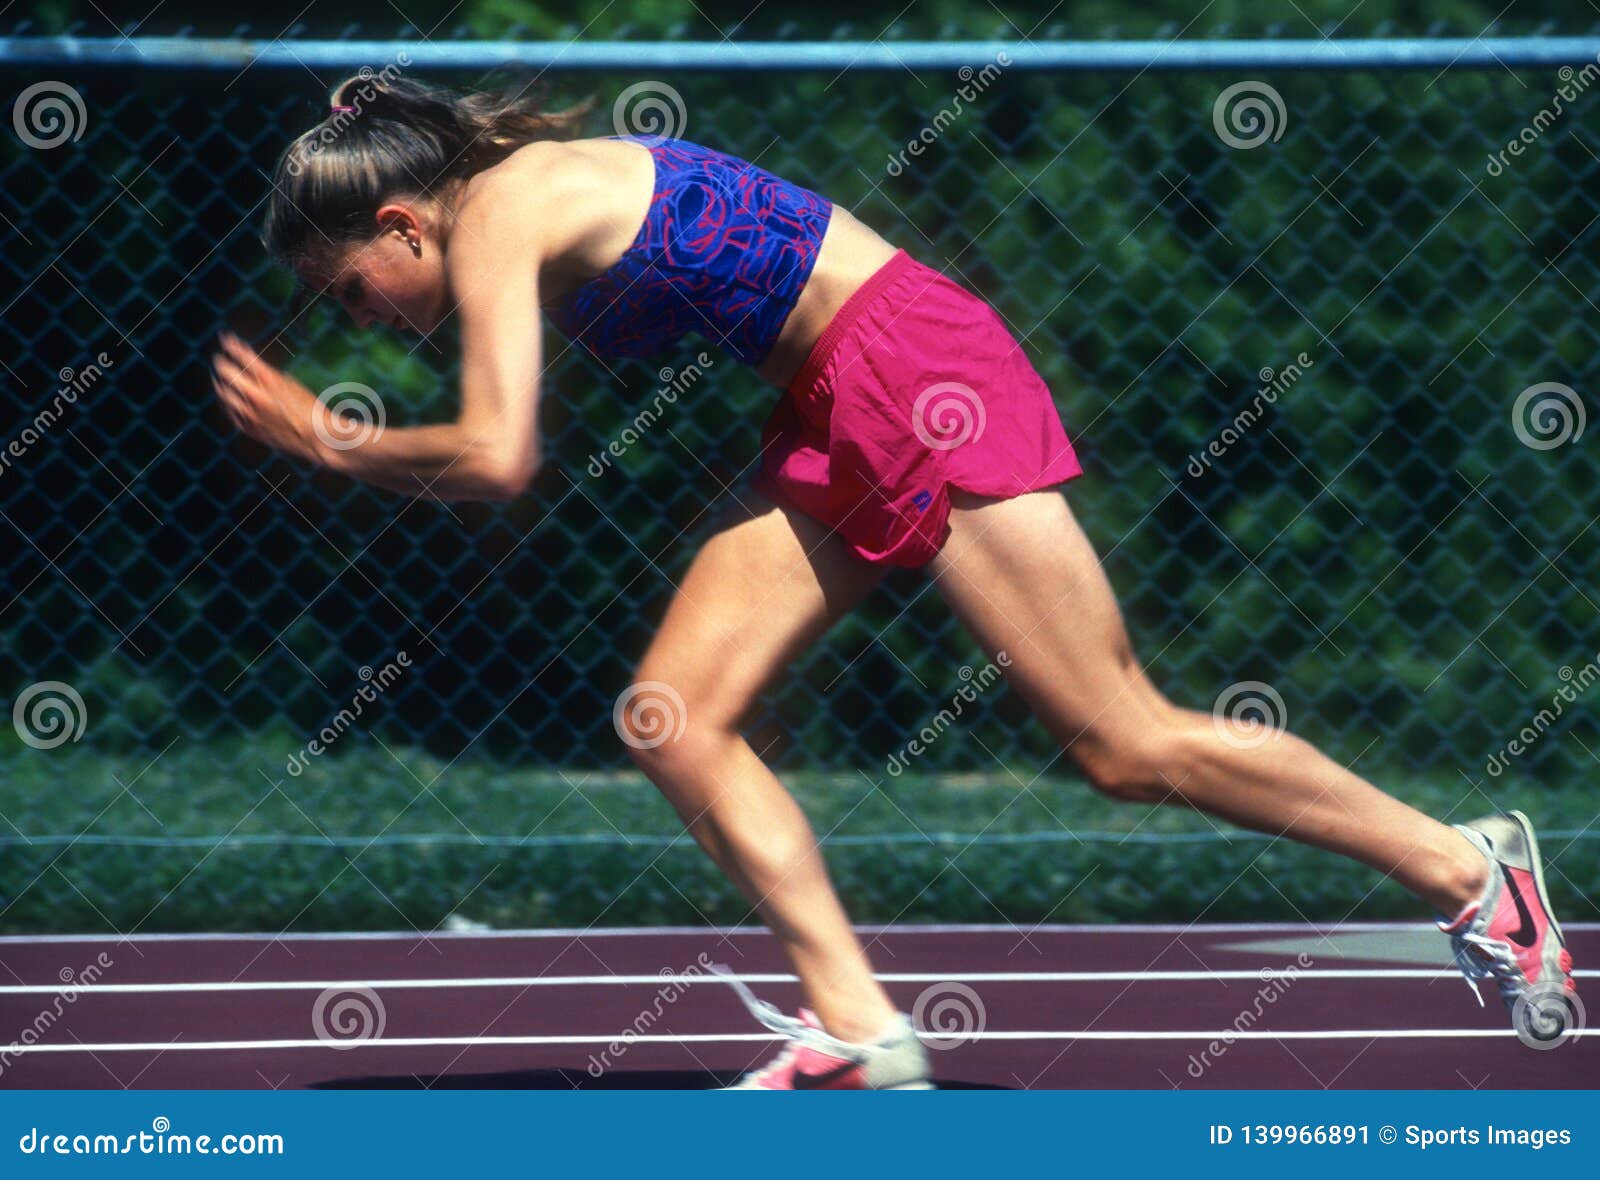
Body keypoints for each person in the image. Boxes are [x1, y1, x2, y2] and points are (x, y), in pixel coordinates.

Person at [211, 76, 1577, 1089]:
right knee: (674, 716)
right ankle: (861, 1029)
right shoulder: (521, 198)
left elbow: (501, 455)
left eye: (349, 293)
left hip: (911, 371)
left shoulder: (504, 206)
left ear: (401, 220)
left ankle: (1470, 871)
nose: (365, 321)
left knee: (1122, 742)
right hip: (828, 402)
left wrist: (327, 437)